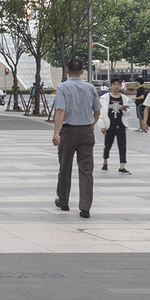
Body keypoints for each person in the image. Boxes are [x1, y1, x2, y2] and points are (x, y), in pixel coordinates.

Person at [50, 57, 99, 218]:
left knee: (65, 167)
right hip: (86, 131)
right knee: (86, 170)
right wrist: (92, 124)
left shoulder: (63, 87)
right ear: (82, 71)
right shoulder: (90, 87)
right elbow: (97, 110)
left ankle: (63, 200)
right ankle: (85, 207)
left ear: (67, 70)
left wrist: (56, 132)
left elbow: (60, 111)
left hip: (69, 132)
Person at [99, 79, 131, 174]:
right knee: (108, 145)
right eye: (114, 84)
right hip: (109, 124)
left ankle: (122, 166)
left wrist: (125, 109)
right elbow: (102, 112)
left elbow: (128, 112)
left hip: (121, 124)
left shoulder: (124, 98)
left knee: (122, 145)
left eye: (118, 84)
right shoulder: (105, 98)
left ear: (121, 86)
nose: (116, 86)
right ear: (111, 85)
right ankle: (105, 161)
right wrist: (102, 125)